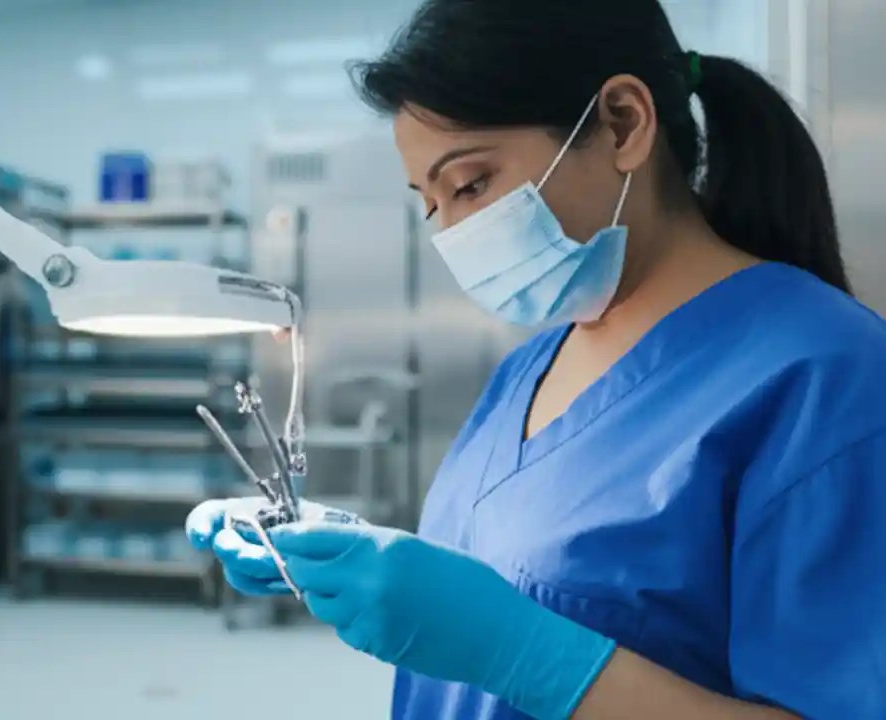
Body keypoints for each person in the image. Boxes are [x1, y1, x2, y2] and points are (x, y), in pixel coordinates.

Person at [186, 1, 886, 718]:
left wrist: (525, 653)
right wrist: (352, 554)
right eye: (430, 206)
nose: (454, 234)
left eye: (470, 186)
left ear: (622, 122)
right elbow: (513, 574)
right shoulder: (527, 374)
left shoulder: (827, 378)